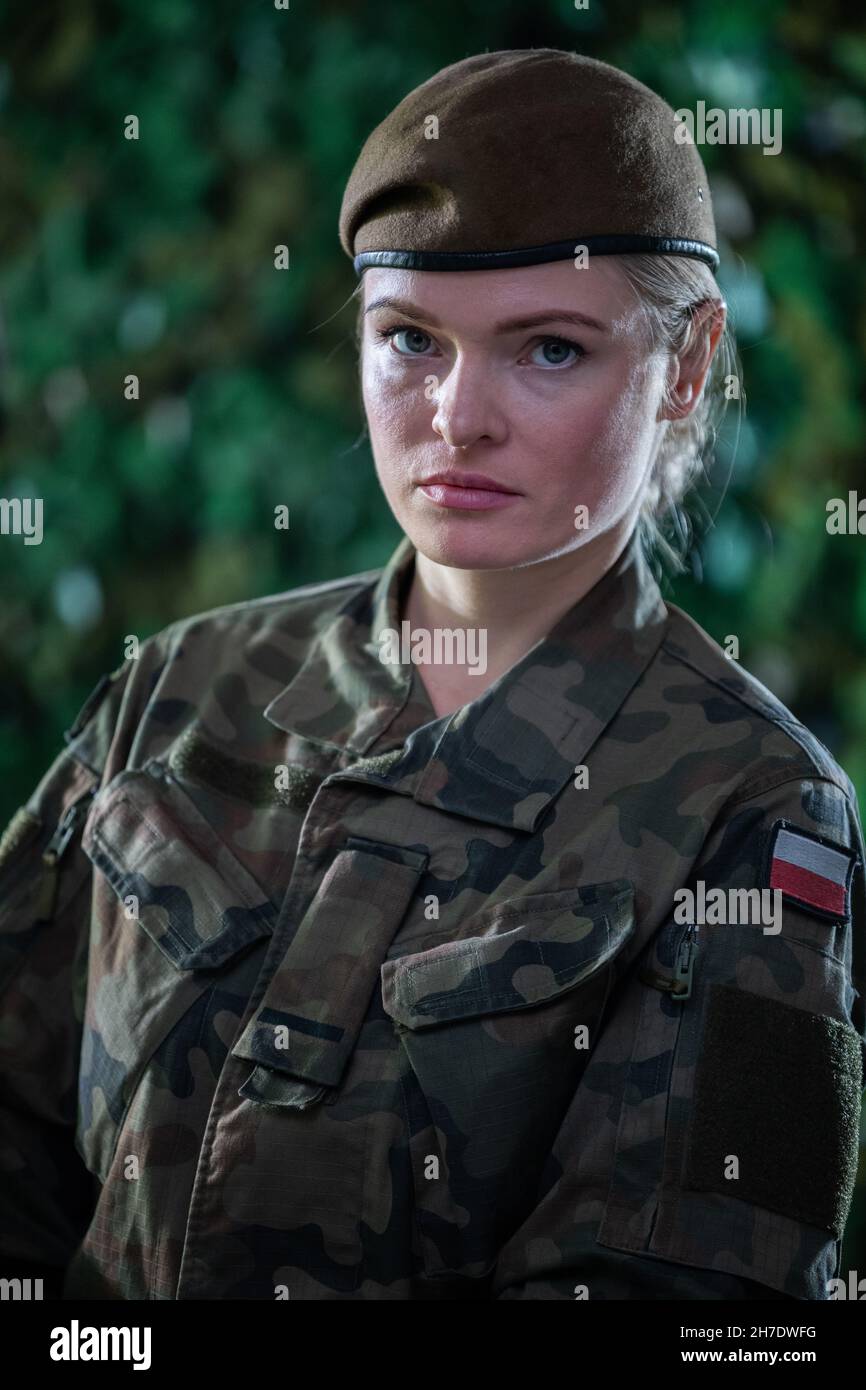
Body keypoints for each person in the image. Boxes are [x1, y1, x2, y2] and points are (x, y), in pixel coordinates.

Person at [0, 47, 863, 1302]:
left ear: (682, 367)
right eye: (409, 338)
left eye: (550, 350)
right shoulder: (184, 687)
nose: (457, 419)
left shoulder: (751, 811)